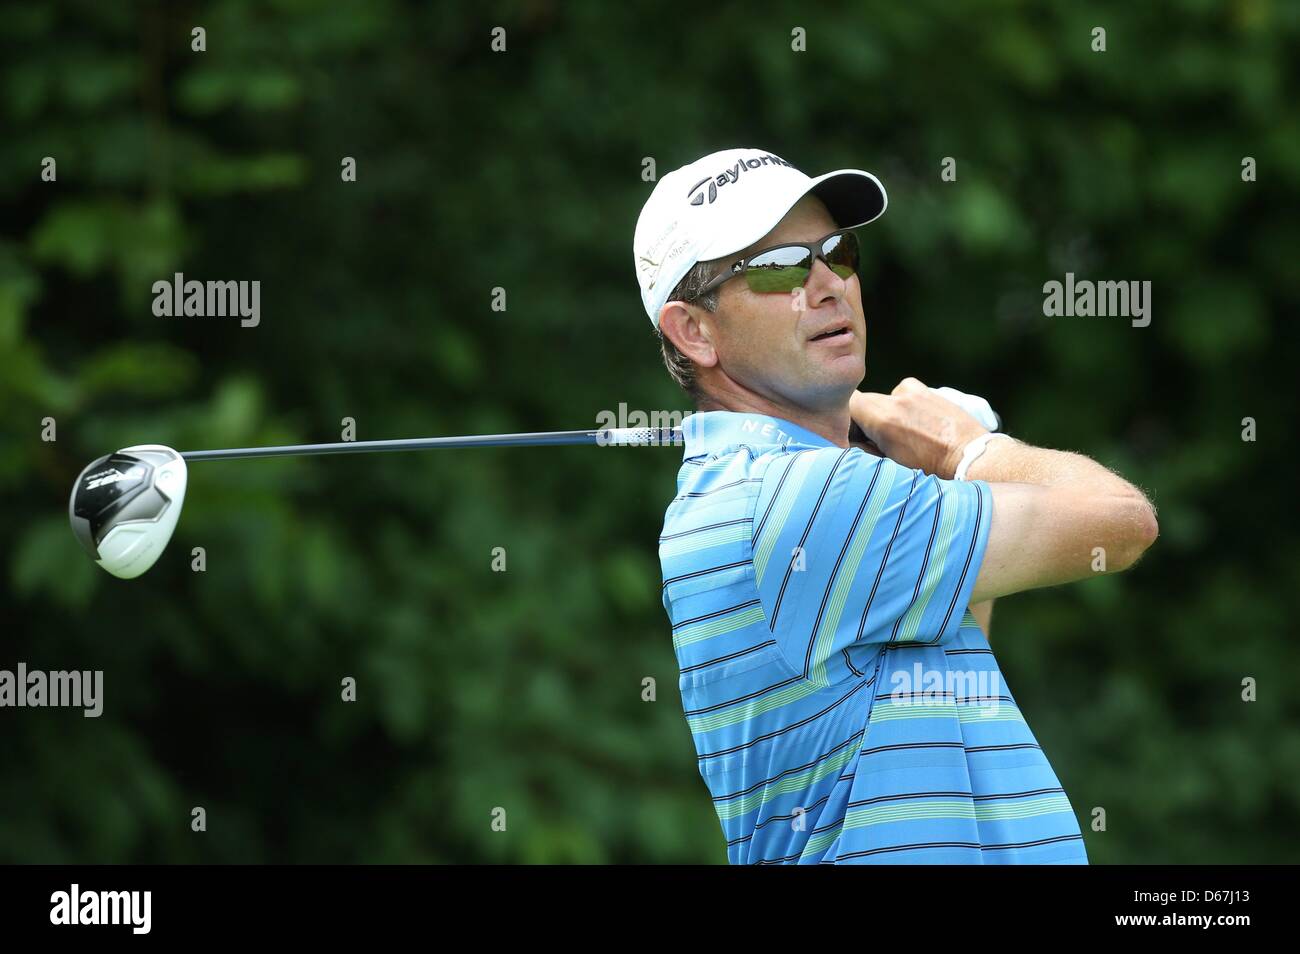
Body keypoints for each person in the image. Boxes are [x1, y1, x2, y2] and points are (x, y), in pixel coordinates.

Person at [633, 147, 1158, 864]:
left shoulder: (771, 490)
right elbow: (1123, 523)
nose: (827, 286)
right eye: (779, 266)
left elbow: (958, 647)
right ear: (694, 331)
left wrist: (925, 467)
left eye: (835, 253)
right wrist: (963, 451)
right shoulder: (803, 501)